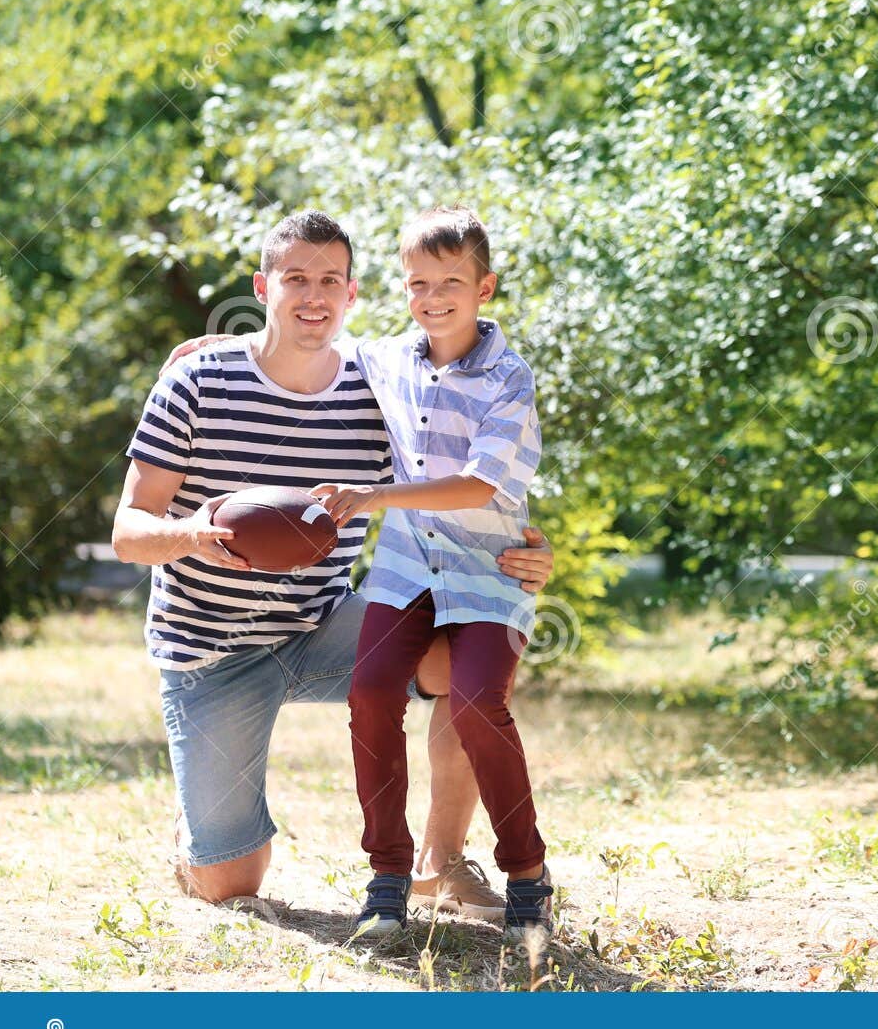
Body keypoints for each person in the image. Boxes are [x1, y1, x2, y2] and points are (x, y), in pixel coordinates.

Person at [112, 210, 554, 909]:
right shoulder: (196, 381)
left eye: (330, 281)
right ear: (263, 286)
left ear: (352, 295)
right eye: (295, 279)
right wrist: (190, 533)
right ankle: (201, 834)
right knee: (230, 884)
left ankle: (442, 862)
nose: (312, 296)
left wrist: (531, 546)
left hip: (322, 625)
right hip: (211, 654)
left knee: (467, 656)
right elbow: (128, 531)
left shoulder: (377, 385)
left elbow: (457, 463)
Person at [314, 206, 552, 942]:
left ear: (485, 287)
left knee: (479, 702)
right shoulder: (387, 358)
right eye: (418, 282)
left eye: (451, 280)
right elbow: (311, 343)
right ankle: (388, 875)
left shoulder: (509, 378)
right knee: (370, 690)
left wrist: (376, 496)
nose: (433, 295)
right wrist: (215, 345)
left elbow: (481, 486)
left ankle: (527, 874)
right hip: (407, 568)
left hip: (490, 567)